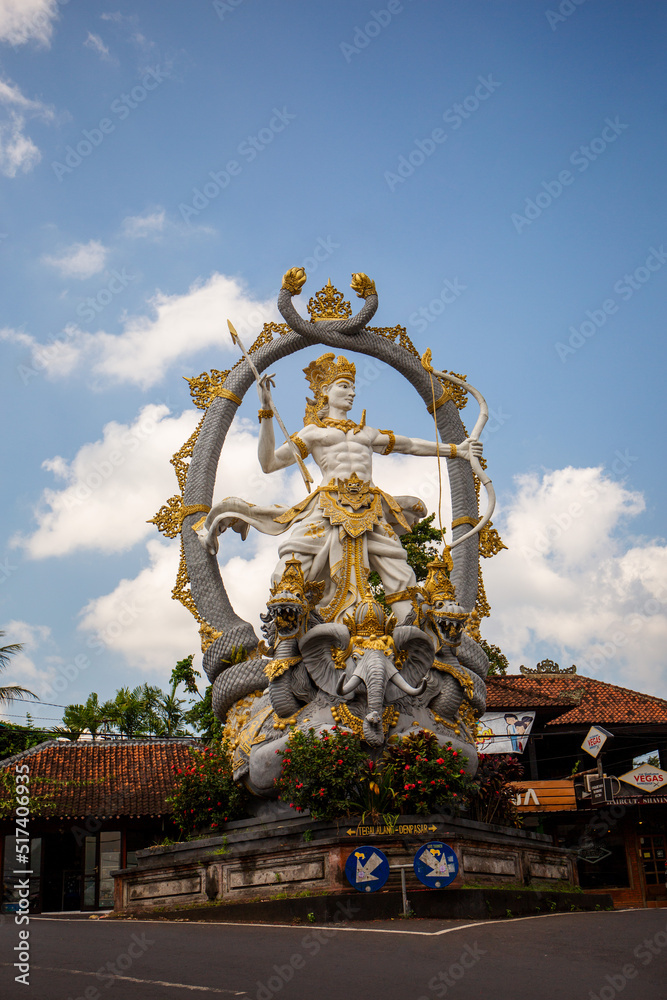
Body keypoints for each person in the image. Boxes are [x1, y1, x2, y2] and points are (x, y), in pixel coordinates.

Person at [199, 352, 483, 622]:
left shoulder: (366, 433)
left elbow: (409, 445)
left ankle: (412, 638)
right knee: (292, 568)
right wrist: (266, 410)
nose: (352, 392)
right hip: (327, 508)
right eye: (344, 386)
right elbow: (269, 463)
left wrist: (456, 450)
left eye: (353, 387)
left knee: (401, 575)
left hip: (371, 510)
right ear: (326, 391)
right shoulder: (314, 433)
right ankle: (286, 633)